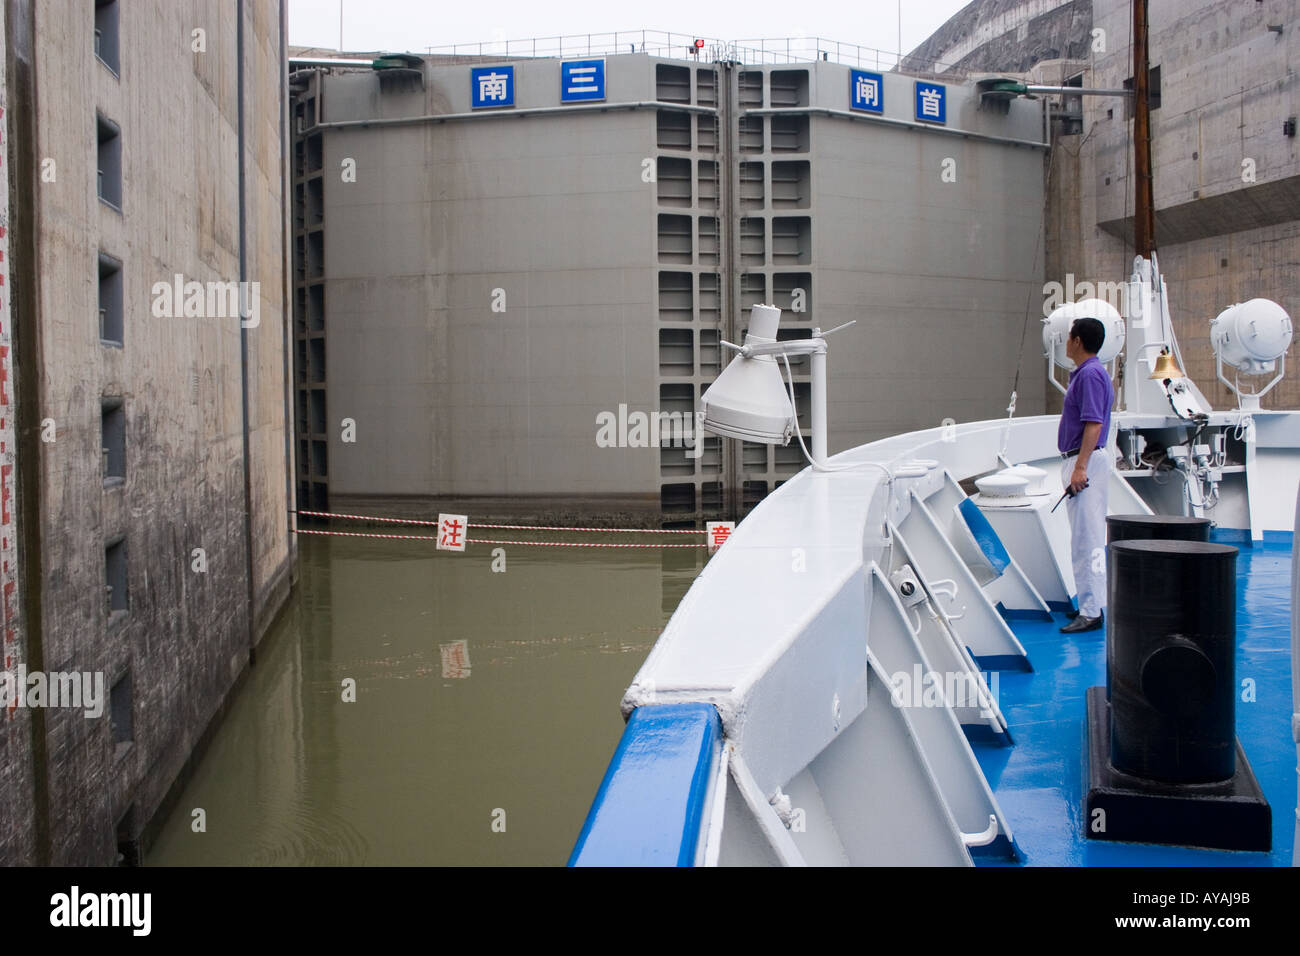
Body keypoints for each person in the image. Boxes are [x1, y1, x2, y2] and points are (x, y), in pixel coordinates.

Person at [1058, 317, 1114, 634]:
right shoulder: (1088, 373)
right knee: (1082, 537)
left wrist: (1080, 467)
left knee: (1087, 538)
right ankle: (1088, 607)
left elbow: (1093, 424)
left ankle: (1092, 612)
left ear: (1077, 341)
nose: (1065, 342)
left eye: (1068, 337)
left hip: (1085, 462)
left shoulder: (1090, 375)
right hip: (1083, 460)